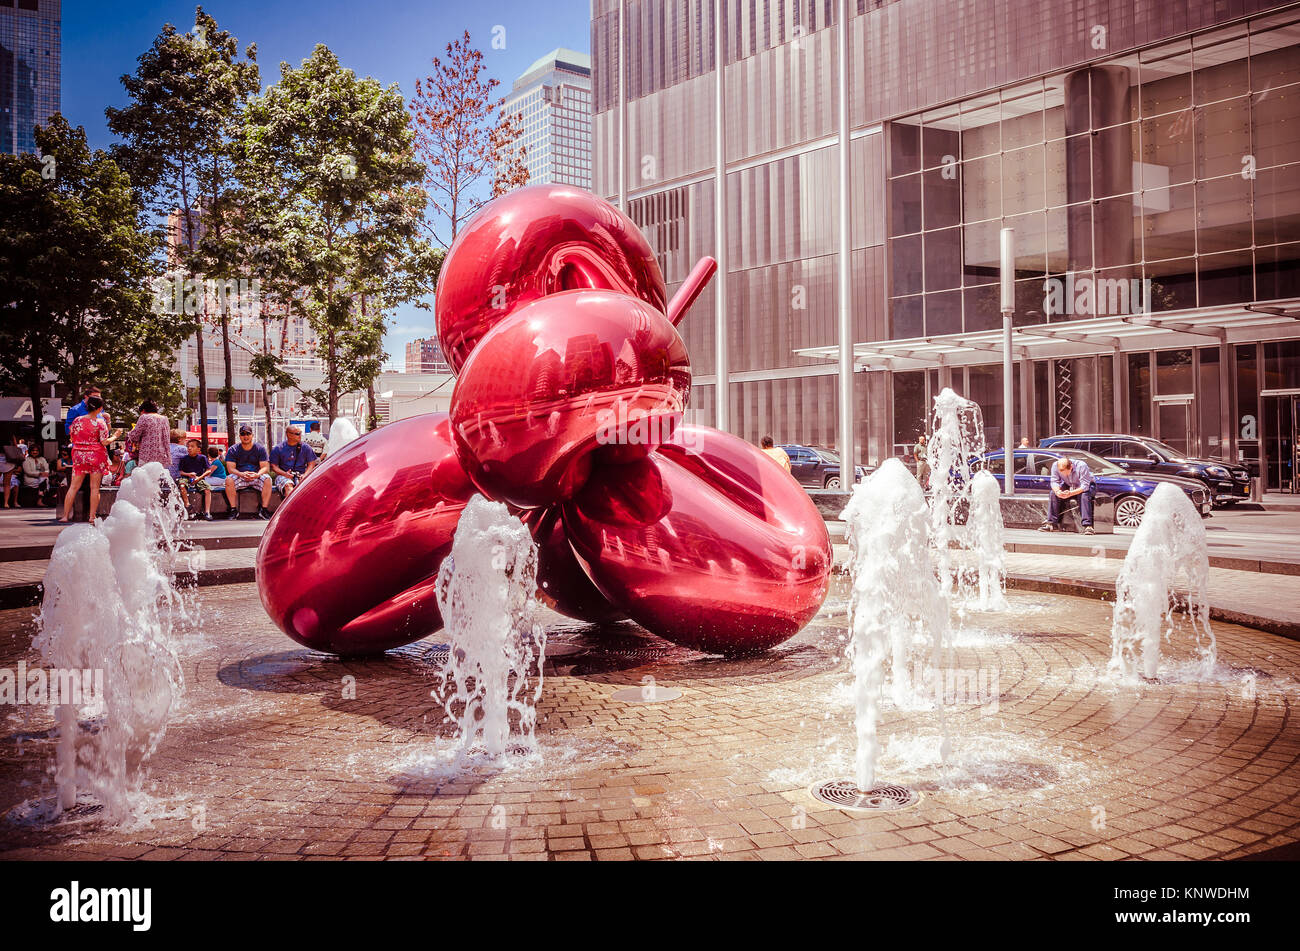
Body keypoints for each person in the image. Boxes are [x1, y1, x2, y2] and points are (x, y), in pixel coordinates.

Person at [60, 396, 121, 524]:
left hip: (79, 455)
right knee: (94, 488)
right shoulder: (100, 422)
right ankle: (92, 517)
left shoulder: (77, 420)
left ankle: (65, 516)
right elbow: (104, 442)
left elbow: (72, 435)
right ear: (99, 408)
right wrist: (115, 436)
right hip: (95, 456)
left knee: (73, 487)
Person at [224, 424, 272, 520]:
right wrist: (241, 474)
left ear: (252, 435)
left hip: (255, 476)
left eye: (248, 434)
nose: (245, 436)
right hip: (240, 476)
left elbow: (265, 467)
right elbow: (230, 469)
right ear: (239, 436)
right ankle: (233, 509)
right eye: (243, 434)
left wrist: (257, 474)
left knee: (268, 479)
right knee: (228, 480)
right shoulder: (233, 449)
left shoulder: (260, 448)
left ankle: (264, 509)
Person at [1039, 454, 1096, 535]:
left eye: (1066, 473)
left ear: (1071, 467)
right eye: (1061, 472)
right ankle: (1051, 524)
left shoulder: (1082, 466)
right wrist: (1058, 491)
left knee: (1084, 496)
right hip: (1069, 485)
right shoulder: (1055, 465)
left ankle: (1088, 526)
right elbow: (1054, 481)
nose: (1064, 475)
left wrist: (1070, 493)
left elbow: (1085, 486)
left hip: (1087, 486)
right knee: (1053, 494)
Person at [269, 425, 318, 501]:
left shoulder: (306, 447)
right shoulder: (279, 448)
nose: (300, 436)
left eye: (300, 433)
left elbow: (311, 463)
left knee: (305, 488)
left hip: (301, 474)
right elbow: (273, 466)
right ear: (289, 434)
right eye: (297, 434)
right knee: (288, 486)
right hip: (284, 475)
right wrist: (285, 474)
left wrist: (305, 475)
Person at [127, 399, 172, 468]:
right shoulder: (164, 419)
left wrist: (129, 433)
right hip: (162, 456)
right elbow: (166, 437)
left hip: (147, 455)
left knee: (145, 476)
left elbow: (134, 436)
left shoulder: (144, 417)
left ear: (143, 410)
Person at [176, 438, 214, 520]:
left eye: (192, 446)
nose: (189, 448)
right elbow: (181, 472)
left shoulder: (202, 458)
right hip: (186, 477)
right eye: (188, 446)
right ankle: (187, 504)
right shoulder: (184, 459)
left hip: (199, 478)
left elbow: (209, 470)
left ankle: (207, 512)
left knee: (207, 489)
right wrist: (188, 474)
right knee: (182, 485)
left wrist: (199, 478)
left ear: (198, 449)